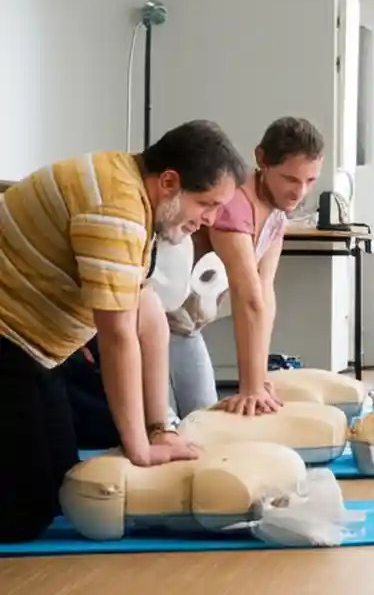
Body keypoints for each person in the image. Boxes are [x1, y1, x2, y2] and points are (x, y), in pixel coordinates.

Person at [0, 120, 246, 542]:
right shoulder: (117, 210)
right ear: (169, 181)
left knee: (65, 487)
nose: (208, 220)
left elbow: (149, 322)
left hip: (39, 349)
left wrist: (159, 429)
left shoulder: (134, 193)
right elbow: (117, 338)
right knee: (24, 515)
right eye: (206, 203)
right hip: (10, 340)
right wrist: (139, 448)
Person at [165, 117, 324, 418]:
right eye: (290, 179)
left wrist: (259, 377)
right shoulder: (235, 203)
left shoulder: (278, 212)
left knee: (206, 422)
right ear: (261, 159)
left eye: (310, 181)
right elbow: (246, 294)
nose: (299, 192)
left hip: (186, 328)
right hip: (152, 323)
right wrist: (249, 387)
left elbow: (265, 294)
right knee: (166, 427)